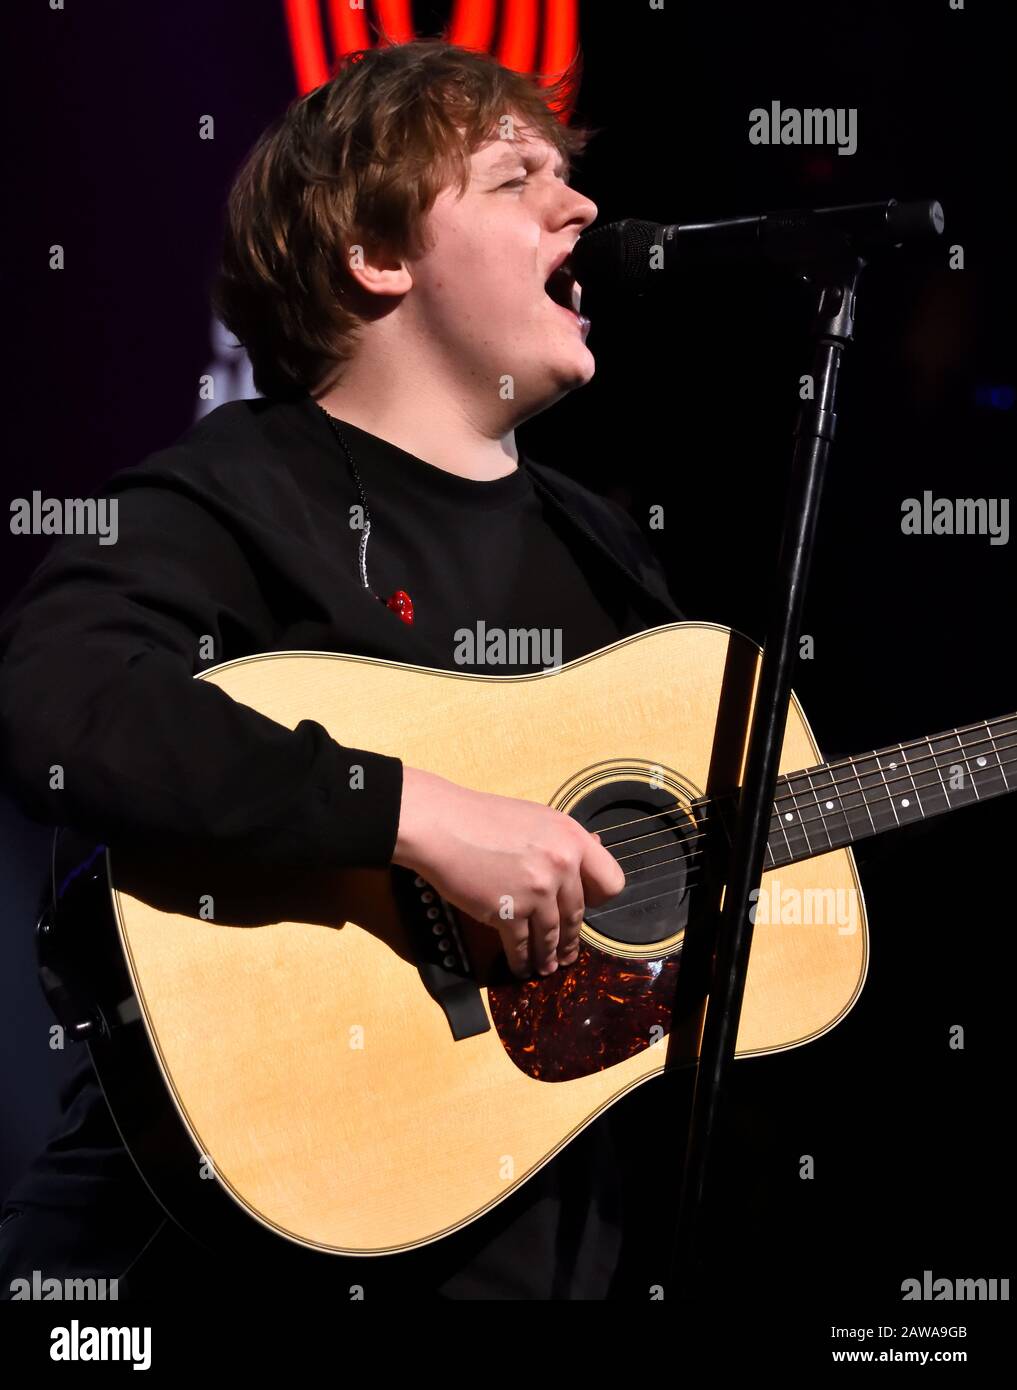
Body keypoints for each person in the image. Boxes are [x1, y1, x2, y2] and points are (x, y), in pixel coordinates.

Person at [0, 38, 684, 1301]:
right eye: (511, 177)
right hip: (218, 1267)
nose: (579, 205)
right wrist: (418, 816)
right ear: (378, 257)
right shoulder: (240, 492)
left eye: (565, 176)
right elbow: (57, 702)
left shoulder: (610, 562)